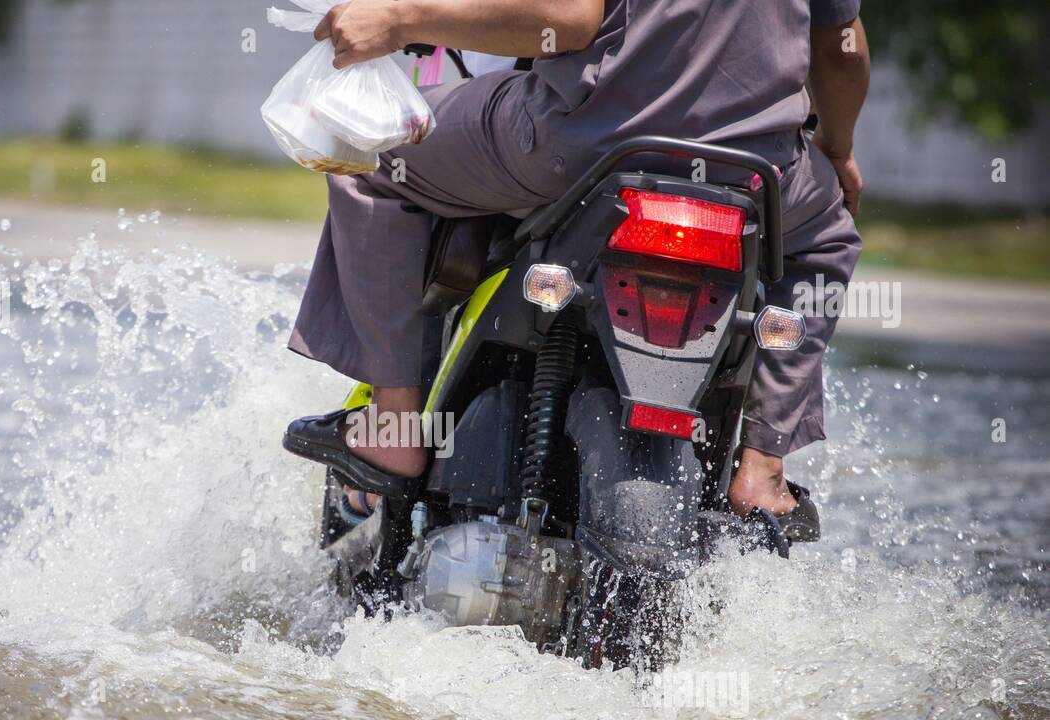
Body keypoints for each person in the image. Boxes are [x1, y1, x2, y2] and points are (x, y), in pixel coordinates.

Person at [284, 0, 869, 518]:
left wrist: (398, 18)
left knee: (374, 157)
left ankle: (395, 425)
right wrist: (836, 150)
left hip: (586, 142)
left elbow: (565, 18)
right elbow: (841, 50)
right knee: (828, 240)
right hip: (757, 171)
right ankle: (763, 466)